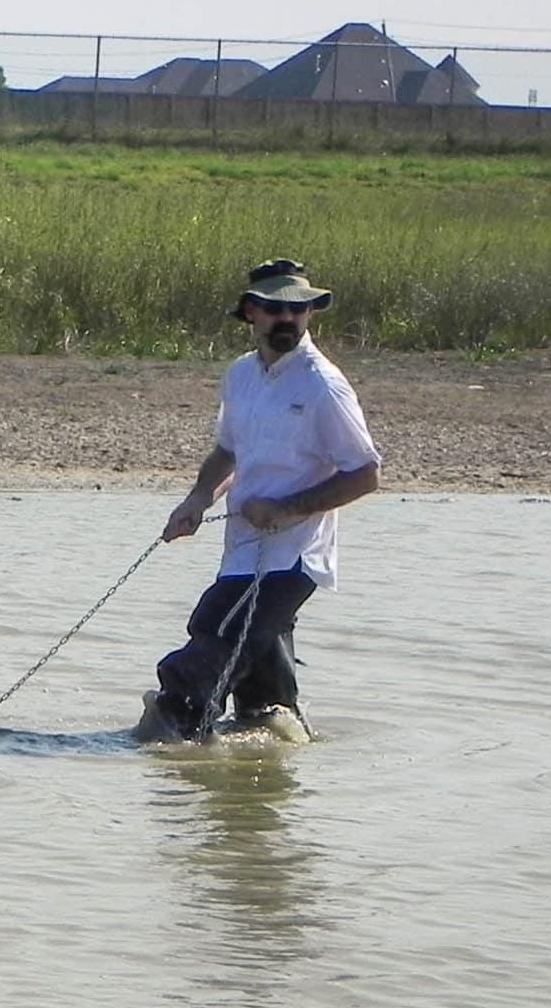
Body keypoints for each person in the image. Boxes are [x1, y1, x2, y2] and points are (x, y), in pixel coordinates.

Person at [145, 259, 383, 741]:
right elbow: (227, 451)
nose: (288, 320)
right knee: (259, 671)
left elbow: (366, 474)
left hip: (294, 554)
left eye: (299, 310)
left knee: (218, 630)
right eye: (276, 309)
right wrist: (197, 499)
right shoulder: (240, 376)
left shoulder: (323, 385)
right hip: (241, 548)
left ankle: (171, 724)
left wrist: (285, 510)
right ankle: (275, 734)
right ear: (252, 312)